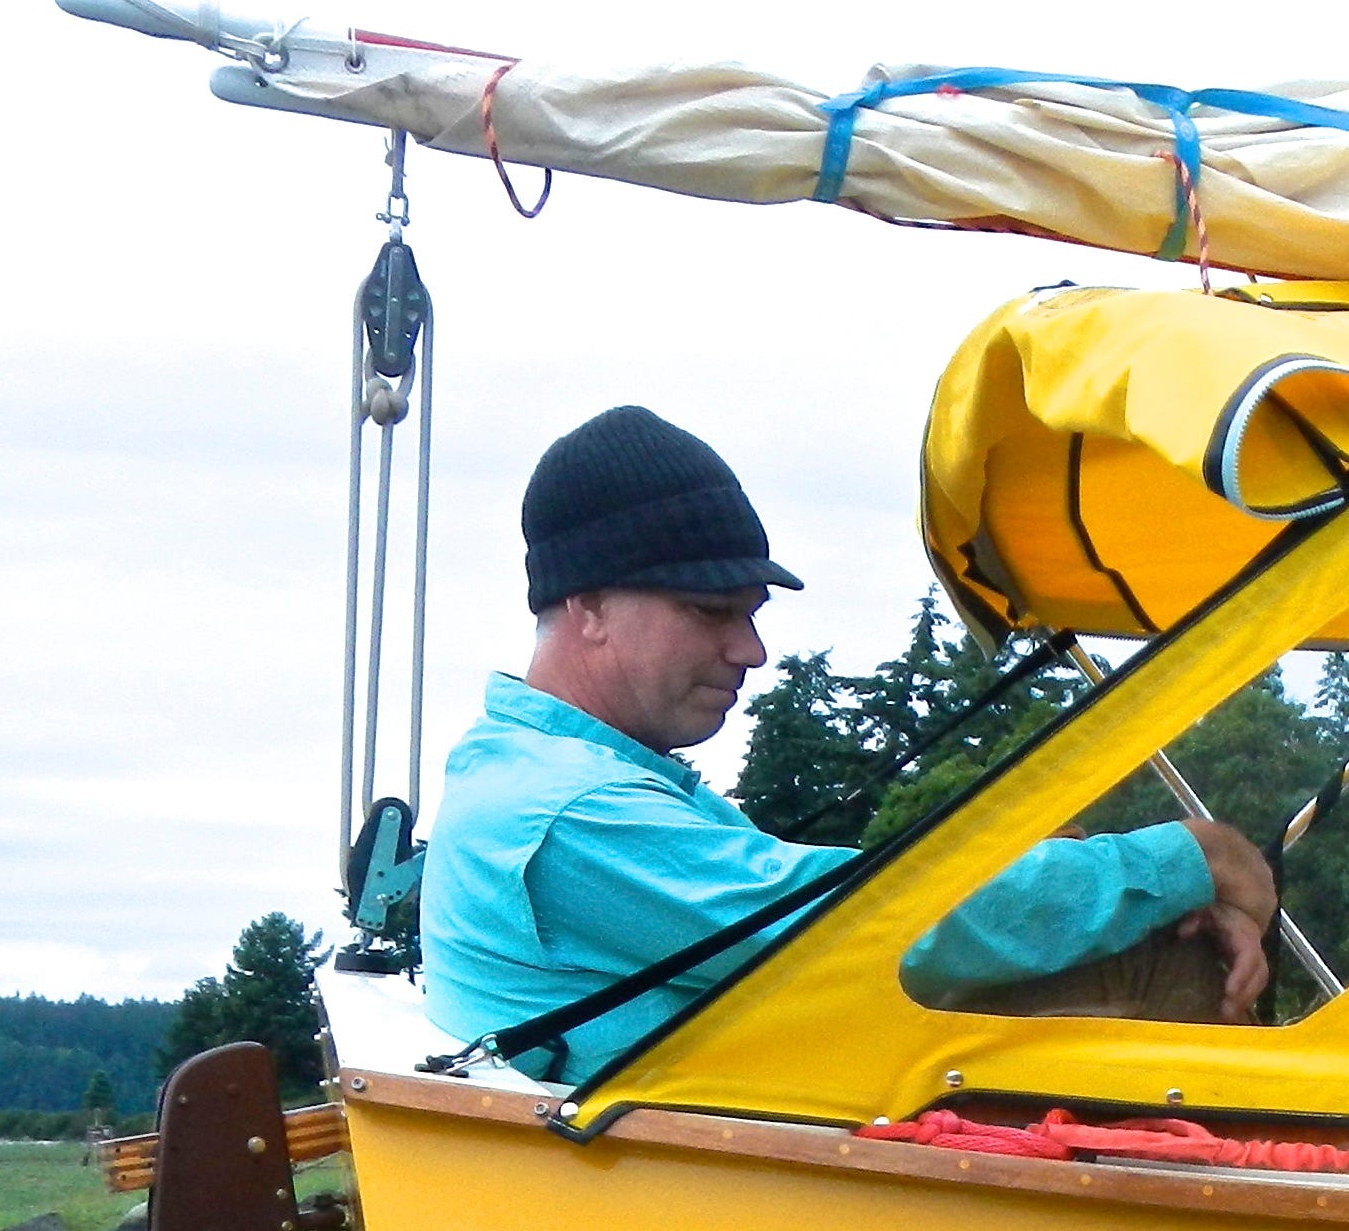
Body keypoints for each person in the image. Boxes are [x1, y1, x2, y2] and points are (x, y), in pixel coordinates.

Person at [422, 407, 1277, 1079]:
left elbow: (807, 915)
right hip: (732, 1205)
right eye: (711, 613)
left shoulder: (536, 776)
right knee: (1170, 971)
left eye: (751, 616)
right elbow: (861, 925)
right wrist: (1188, 860)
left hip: (729, 1162)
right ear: (588, 605)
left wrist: (1079, 884)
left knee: (1145, 944)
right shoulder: (568, 814)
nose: (750, 651)